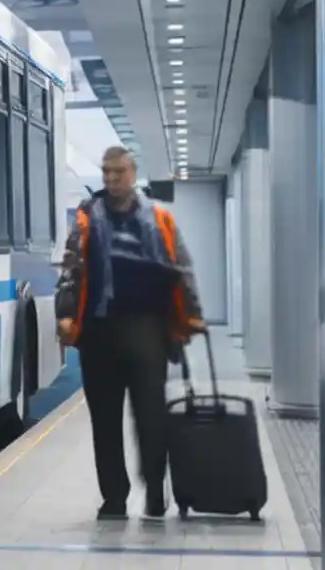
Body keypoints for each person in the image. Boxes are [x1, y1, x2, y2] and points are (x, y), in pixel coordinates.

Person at [54, 146, 205, 519]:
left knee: (150, 417)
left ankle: (155, 489)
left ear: (132, 173)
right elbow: (71, 267)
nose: (110, 179)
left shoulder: (159, 219)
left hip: (148, 331)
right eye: (106, 172)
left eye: (117, 172)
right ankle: (114, 498)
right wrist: (66, 314)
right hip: (100, 332)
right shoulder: (88, 218)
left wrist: (192, 315)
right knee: (104, 421)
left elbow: (181, 267)